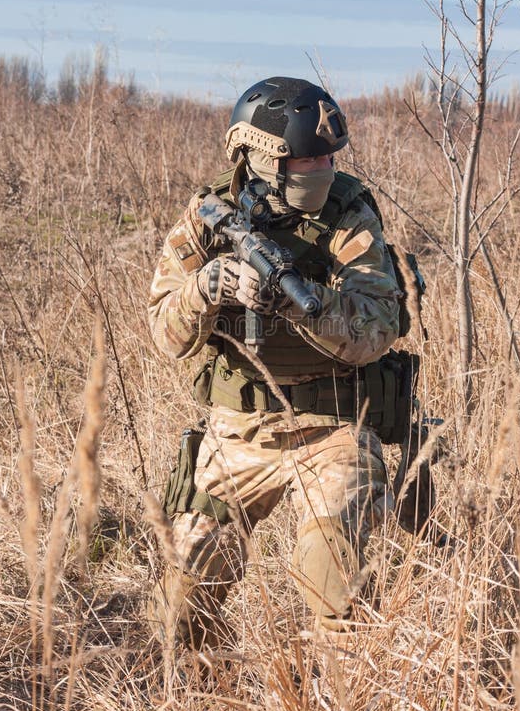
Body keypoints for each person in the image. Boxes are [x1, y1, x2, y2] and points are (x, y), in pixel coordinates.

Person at [147, 76, 406, 653]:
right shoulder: (208, 216)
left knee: (334, 577)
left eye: (327, 156)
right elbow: (165, 333)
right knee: (182, 599)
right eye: (306, 157)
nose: (321, 166)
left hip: (333, 426)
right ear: (260, 158)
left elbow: (377, 329)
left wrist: (301, 304)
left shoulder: (348, 215)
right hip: (238, 431)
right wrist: (207, 288)